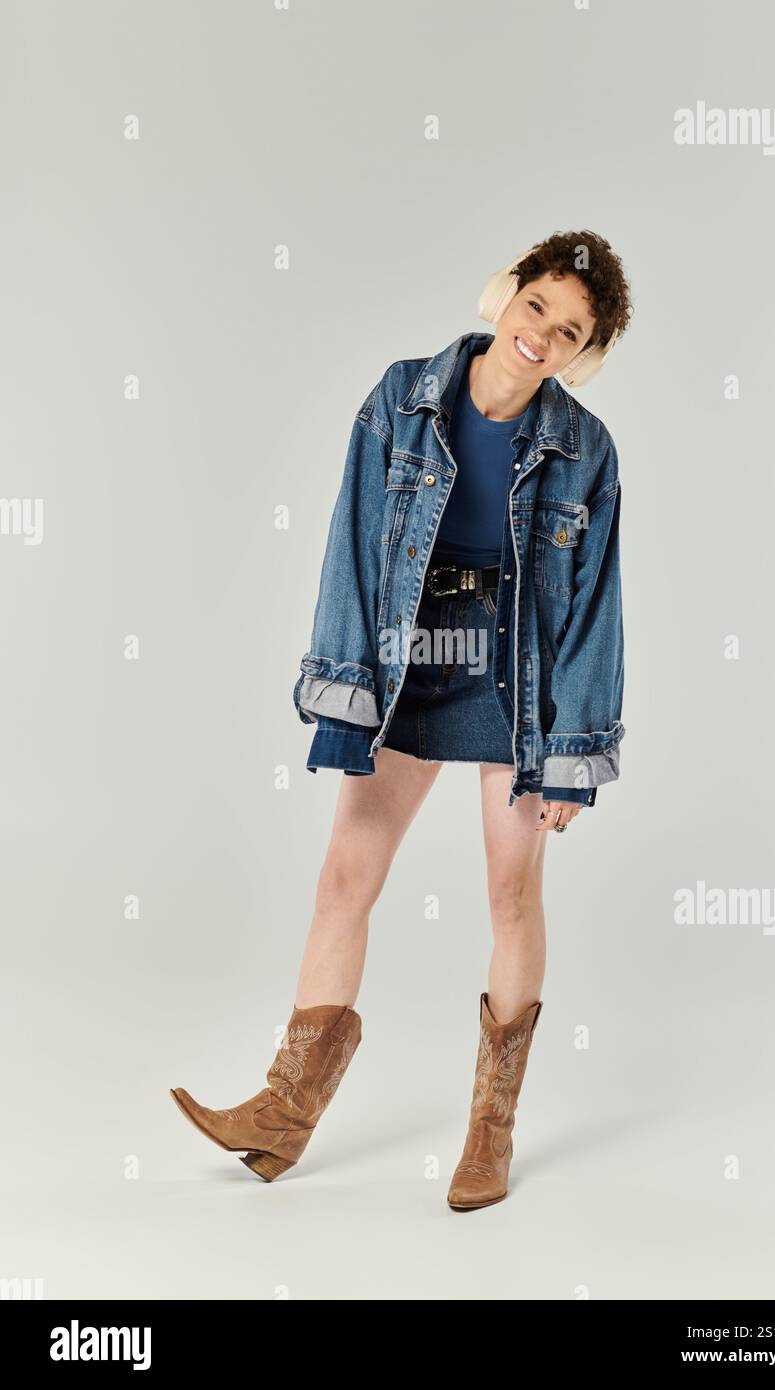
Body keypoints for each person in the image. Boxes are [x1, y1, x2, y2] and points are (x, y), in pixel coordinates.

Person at [171, 230, 633, 1208]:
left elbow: (593, 604)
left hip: (513, 671)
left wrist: (572, 754)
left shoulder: (584, 449)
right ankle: (281, 1112)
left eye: (568, 329)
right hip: (402, 651)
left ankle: (489, 1133)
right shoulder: (401, 395)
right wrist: (343, 690)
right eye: (536, 306)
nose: (541, 334)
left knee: (511, 895)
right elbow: (349, 540)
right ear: (505, 296)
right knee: (345, 873)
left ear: (583, 350)